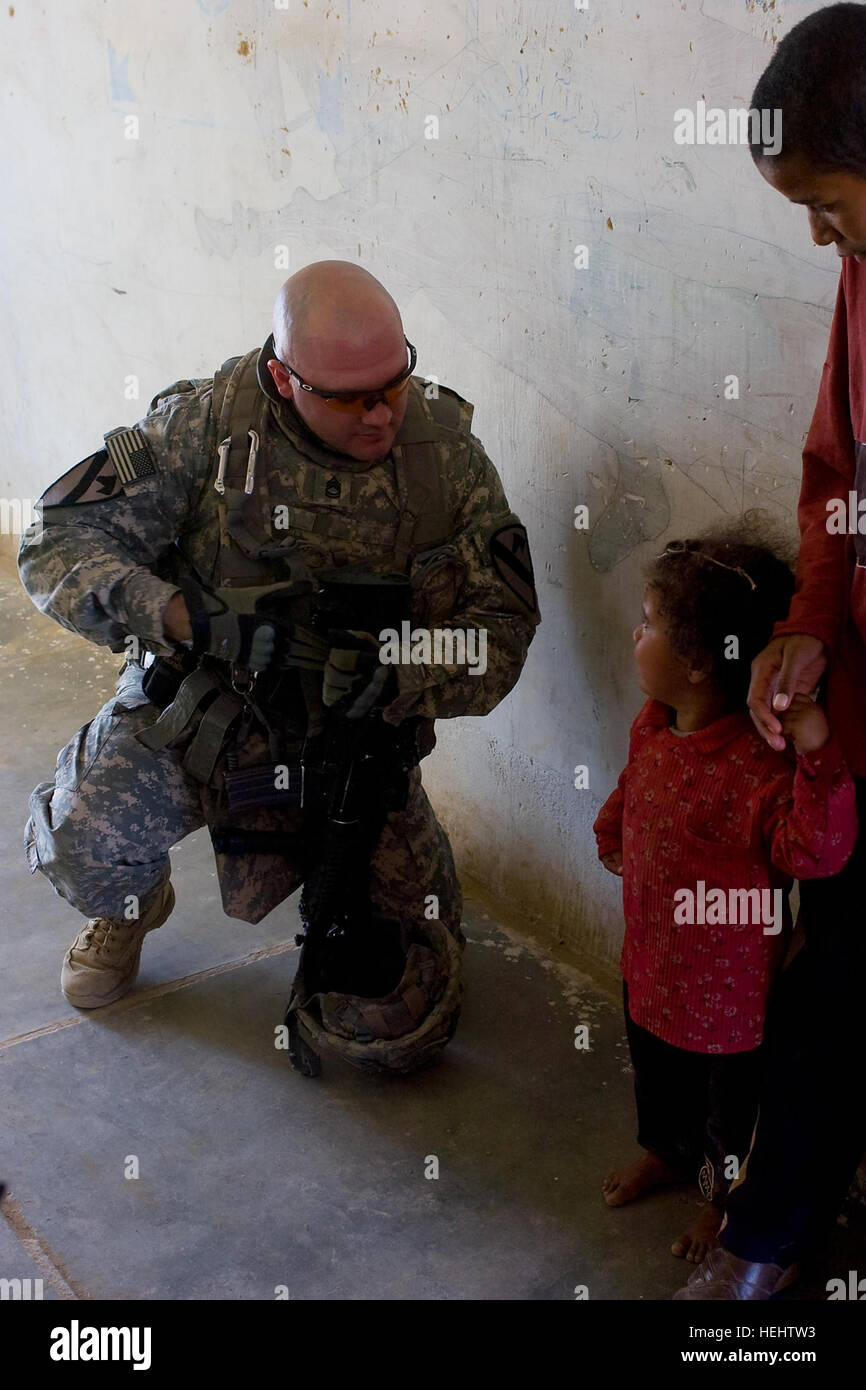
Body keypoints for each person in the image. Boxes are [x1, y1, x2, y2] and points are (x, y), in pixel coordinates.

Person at [19, 261, 539, 1070]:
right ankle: (133, 902)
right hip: (201, 716)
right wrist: (182, 615)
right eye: (348, 398)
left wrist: (403, 669)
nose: (379, 417)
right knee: (79, 837)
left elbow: (501, 630)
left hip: (354, 752)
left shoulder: (448, 461)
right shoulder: (205, 429)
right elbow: (55, 541)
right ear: (281, 376)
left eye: (394, 384)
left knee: (394, 1032)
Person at [677, 3, 866, 1298]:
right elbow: (831, 470)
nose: (816, 234)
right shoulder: (865, 275)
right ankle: (772, 1231)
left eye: (827, 202)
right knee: (826, 977)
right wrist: (808, 615)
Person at [594, 521, 856, 1267]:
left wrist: (816, 752)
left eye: (647, 624)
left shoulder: (760, 766)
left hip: (729, 1001)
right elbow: (633, 788)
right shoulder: (658, 723)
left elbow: (818, 850)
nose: (633, 633)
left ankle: (721, 1200)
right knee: (659, 1083)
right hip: (651, 966)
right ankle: (666, 1155)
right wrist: (613, 829)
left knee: (727, 1116)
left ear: (702, 662)